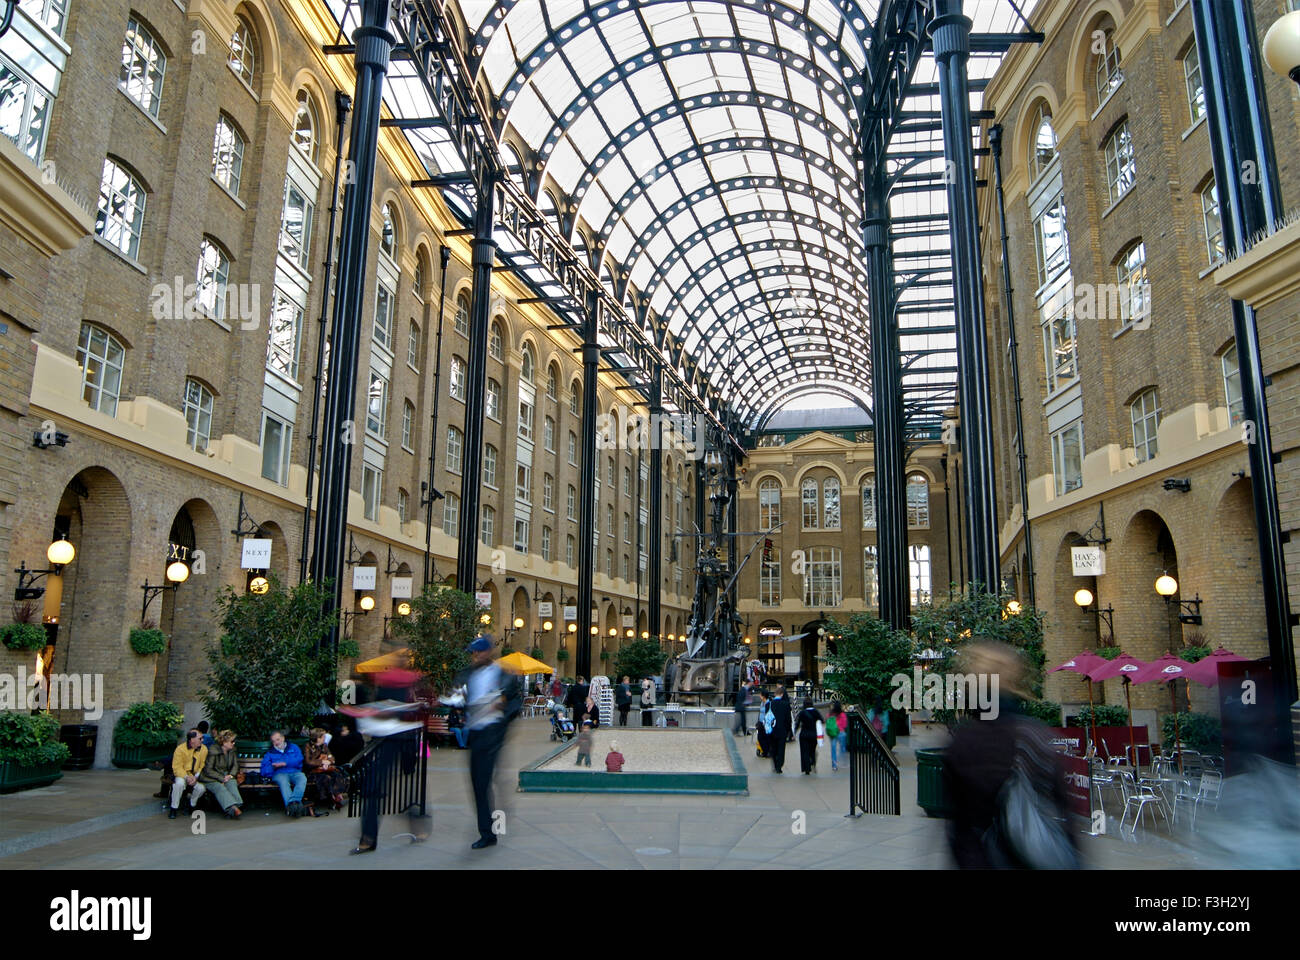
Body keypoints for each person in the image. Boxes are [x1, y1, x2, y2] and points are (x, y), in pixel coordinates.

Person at [945, 641, 1078, 869]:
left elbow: (958, 827)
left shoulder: (962, 742)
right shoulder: (1035, 736)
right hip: (1037, 858)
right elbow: (1065, 811)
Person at [465, 635, 522, 850]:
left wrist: (500, 709)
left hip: (493, 733)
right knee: (478, 784)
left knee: (482, 780)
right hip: (475, 732)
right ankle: (488, 829)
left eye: (478, 652)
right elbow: (463, 698)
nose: (475, 656)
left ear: (488, 652)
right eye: (473, 652)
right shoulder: (469, 674)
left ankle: (488, 832)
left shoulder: (503, 674)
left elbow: (516, 703)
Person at [260, 730, 307, 817]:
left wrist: (285, 763)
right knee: (283, 782)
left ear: (283, 738)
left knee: (302, 778)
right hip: (279, 773)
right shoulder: (270, 753)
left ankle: (292, 804)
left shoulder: (294, 747)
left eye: (277, 740)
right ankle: (293, 807)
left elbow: (299, 760)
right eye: (273, 741)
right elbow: (264, 770)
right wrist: (273, 767)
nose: (276, 743)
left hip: (295, 772)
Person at [199, 730, 243, 819]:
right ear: (224, 742)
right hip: (211, 777)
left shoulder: (232, 750)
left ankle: (233, 807)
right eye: (231, 741)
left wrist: (230, 775)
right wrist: (221, 778)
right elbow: (208, 770)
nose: (233, 743)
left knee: (232, 783)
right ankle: (232, 808)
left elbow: (235, 765)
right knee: (219, 787)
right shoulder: (213, 750)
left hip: (226, 775)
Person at [168, 729, 208, 819]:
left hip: (194, 775)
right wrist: (187, 777)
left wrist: (195, 777)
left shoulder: (204, 749)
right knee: (179, 784)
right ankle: (173, 808)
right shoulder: (180, 749)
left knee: (201, 788)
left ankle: (191, 805)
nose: (202, 740)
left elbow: (202, 765)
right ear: (192, 740)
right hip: (183, 774)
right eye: (200, 738)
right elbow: (177, 767)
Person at [304, 727, 347, 810]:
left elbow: (331, 758)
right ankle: (333, 799)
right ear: (318, 738)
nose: (325, 738)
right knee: (325, 778)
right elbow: (308, 761)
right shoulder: (307, 746)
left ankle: (337, 795)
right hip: (312, 771)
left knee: (337, 774)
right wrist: (322, 762)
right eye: (323, 737)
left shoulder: (324, 746)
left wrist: (328, 762)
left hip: (325, 769)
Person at [794, 698, 824, 775]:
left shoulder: (802, 713)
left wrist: (794, 733)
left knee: (805, 752)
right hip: (814, 735)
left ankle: (807, 768)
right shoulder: (815, 712)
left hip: (804, 735)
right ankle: (812, 761)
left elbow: (797, 724)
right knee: (812, 750)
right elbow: (822, 720)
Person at [768, 685, 792, 773]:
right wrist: (789, 729)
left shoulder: (770, 704)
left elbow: (767, 718)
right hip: (782, 730)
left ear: (775, 694)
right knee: (781, 748)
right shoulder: (785, 704)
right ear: (782, 694)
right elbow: (788, 719)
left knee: (773, 747)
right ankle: (779, 765)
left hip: (772, 730)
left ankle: (775, 763)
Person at [827, 701, 848, 772]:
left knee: (833, 749)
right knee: (842, 748)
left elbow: (828, 722)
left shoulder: (830, 714)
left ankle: (834, 765)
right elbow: (845, 725)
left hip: (833, 733)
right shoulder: (842, 714)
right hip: (841, 732)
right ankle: (841, 761)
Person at [755, 690, 772, 758]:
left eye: (761, 695)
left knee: (766, 737)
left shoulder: (769, 704)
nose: (759, 696)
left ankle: (766, 751)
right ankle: (764, 750)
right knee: (760, 737)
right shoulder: (762, 703)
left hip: (766, 723)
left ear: (764, 696)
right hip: (760, 722)